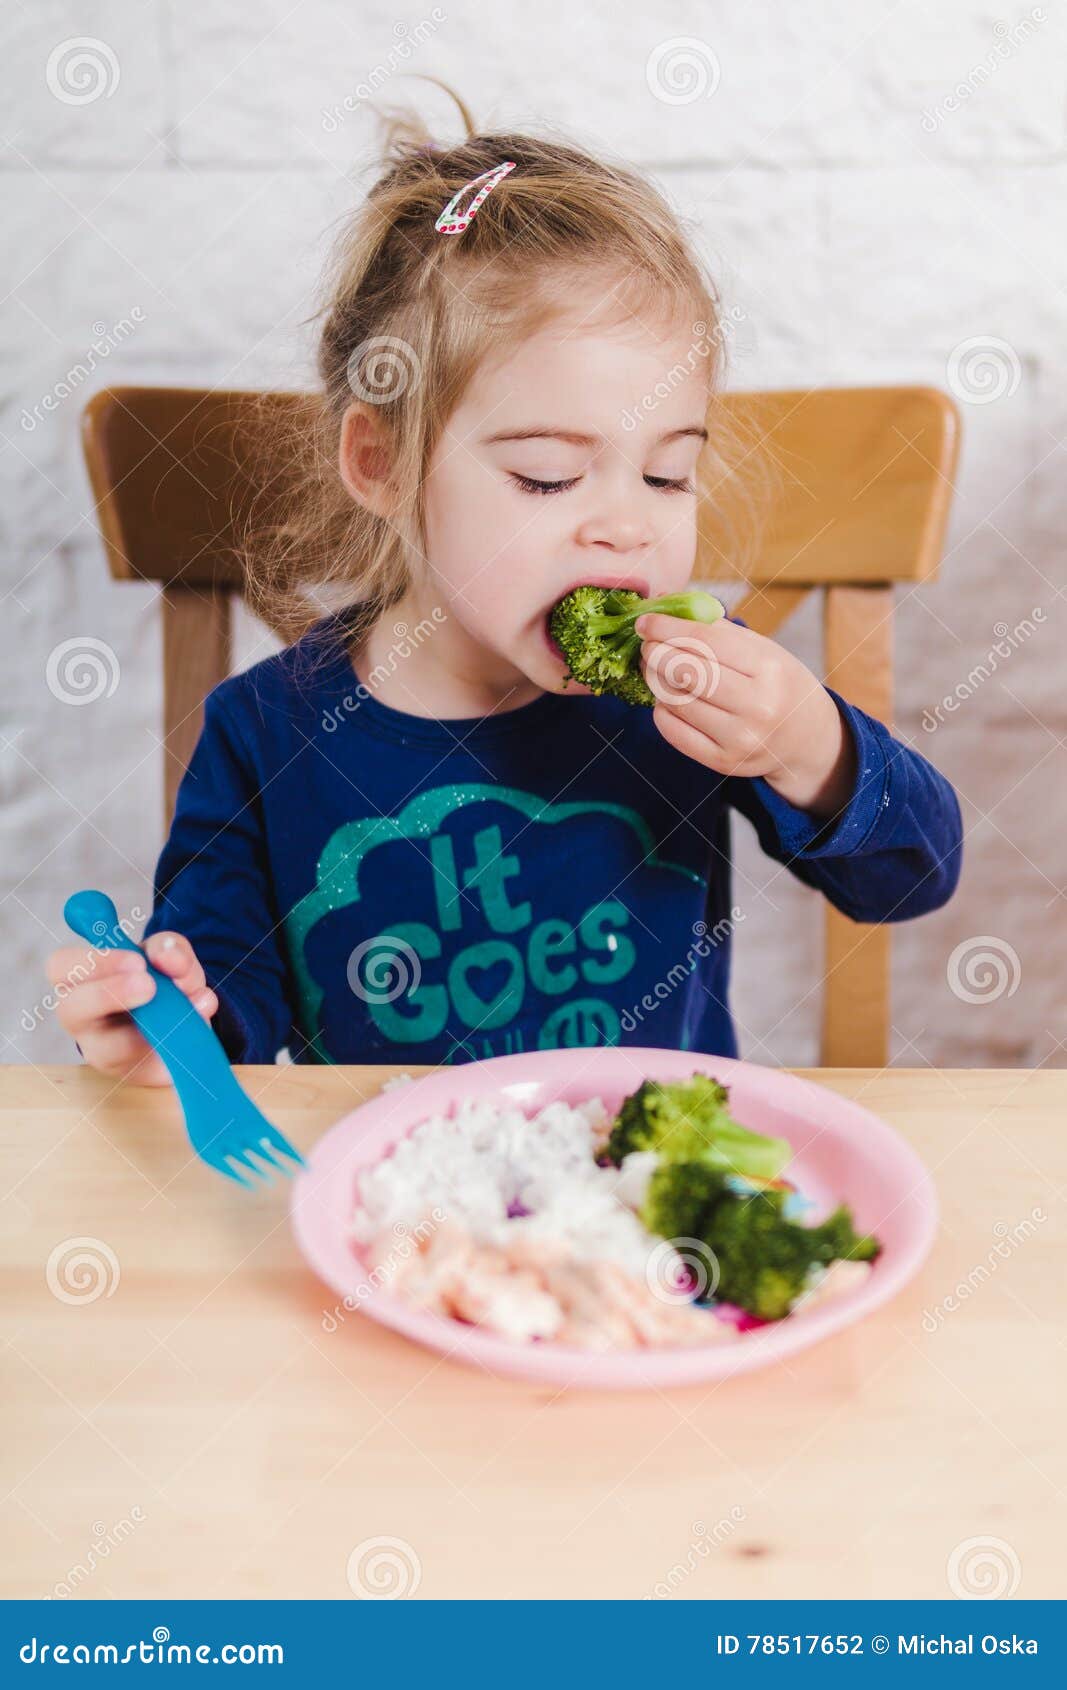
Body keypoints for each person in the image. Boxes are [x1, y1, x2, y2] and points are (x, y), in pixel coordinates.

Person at [45, 97, 962, 1082]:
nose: (624, 523)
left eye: (665, 476)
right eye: (544, 477)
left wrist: (806, 745)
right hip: (399, 1212)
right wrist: (166, 1027)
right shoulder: (264, 733)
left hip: (642, 1210)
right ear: (382, 462)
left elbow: (911, 877)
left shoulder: (689, 698)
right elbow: (224, 997)